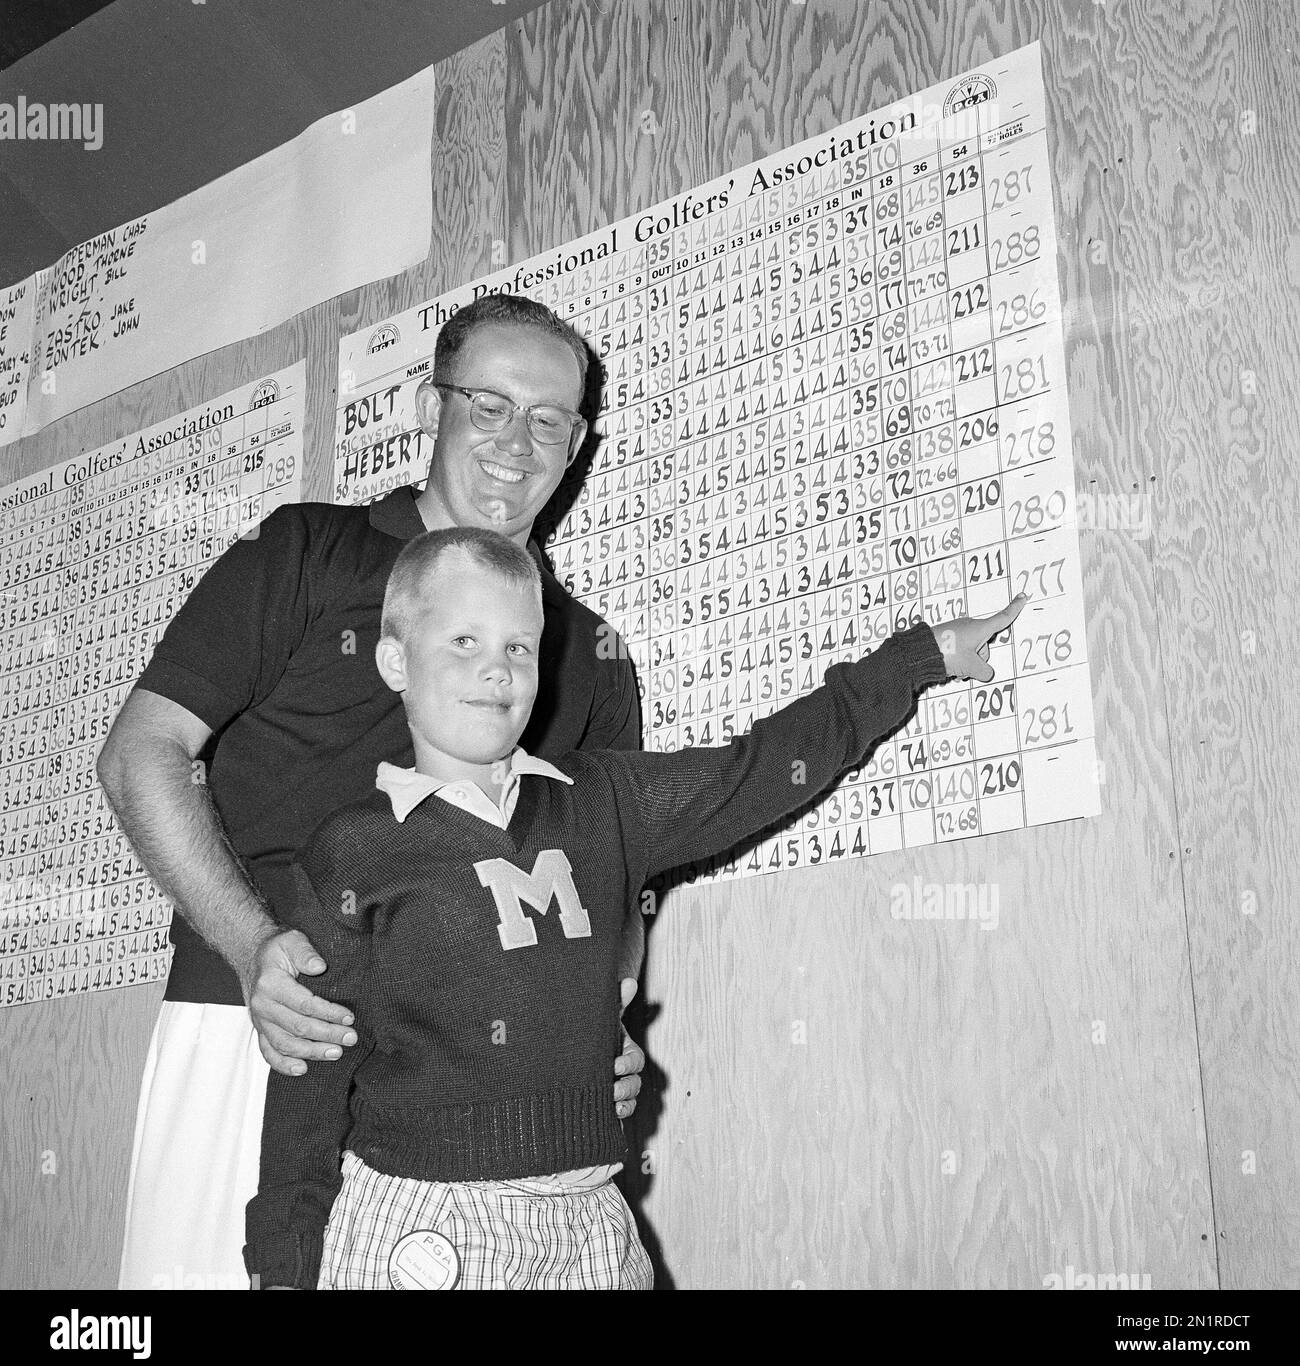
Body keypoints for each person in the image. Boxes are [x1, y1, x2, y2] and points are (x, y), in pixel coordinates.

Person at [243, 524, 1026, 1290]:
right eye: (463, 642)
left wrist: (919, 658)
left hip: (590, 1223)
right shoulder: (351, 851)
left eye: (519, 646)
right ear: (394, 661)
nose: (498, 670)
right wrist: (281, 1267)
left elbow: (756, 770)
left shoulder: (603, 800)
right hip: (422, 1230)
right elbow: (307, 1079)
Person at [98, 295, 647, 1290]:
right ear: (426, 407)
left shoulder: (592, 660)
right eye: (489, 404)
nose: (517, 443)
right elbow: (143, 753)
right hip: (257, 1028)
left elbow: (613, 877)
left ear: (577, 445)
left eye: (551, 421)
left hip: (476, 1099)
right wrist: (255, 947)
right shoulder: (306, 553)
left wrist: (601, 1019)